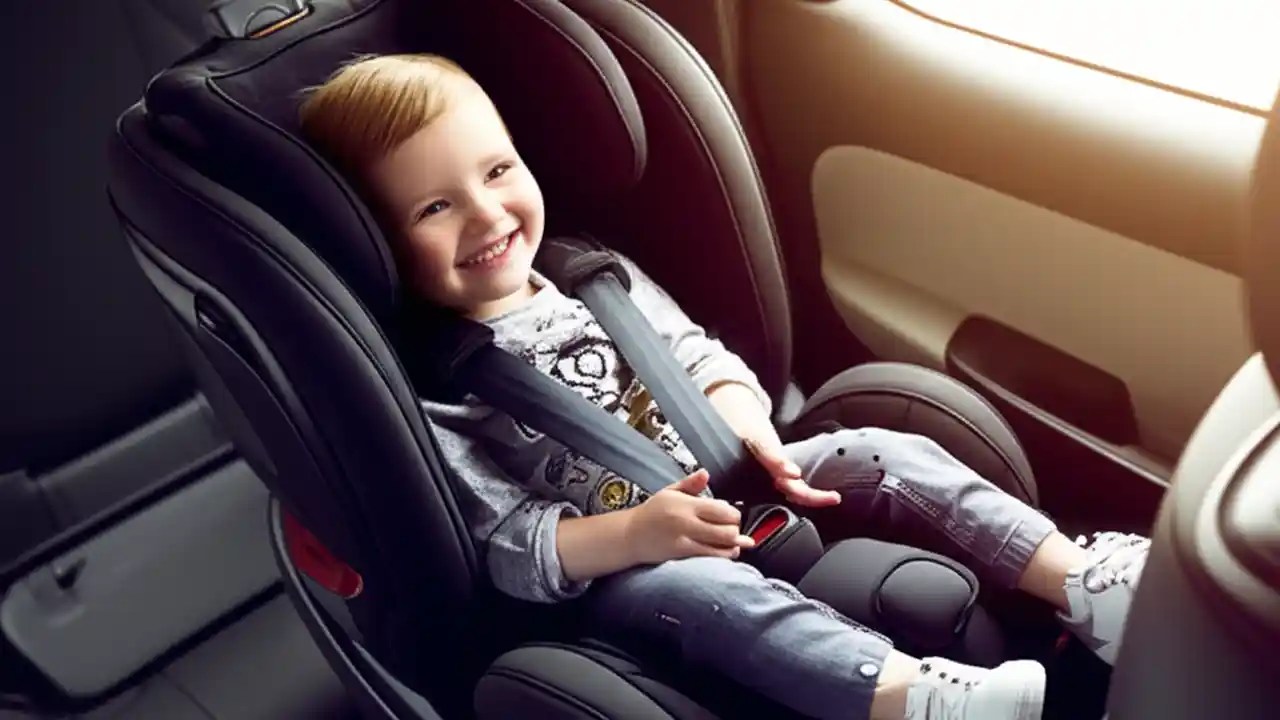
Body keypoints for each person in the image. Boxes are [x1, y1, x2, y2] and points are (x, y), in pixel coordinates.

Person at [298, 53, 1150, 720]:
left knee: (885, 451)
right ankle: (908, 696)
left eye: (496, 172)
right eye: (432, 209)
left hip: (735, 475)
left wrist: (754, 435)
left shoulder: (594, 276)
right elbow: (511, 543)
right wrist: (633, 534)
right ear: (380, 245)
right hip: (627, 568)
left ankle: (1077, 581)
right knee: (712, 601)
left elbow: (700, 357)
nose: (486, 216)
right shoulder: (438, 386)